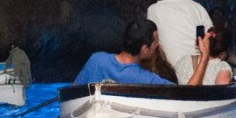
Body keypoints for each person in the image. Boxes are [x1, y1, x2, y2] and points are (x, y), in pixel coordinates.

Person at [74, 17, 212, 87]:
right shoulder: (146, 79)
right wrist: (205, 56)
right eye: (156, 42)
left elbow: (72, 92)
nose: (158, 44)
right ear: (145, 49)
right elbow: (186, 93)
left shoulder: (96, 60)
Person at [147, 0, 213, 84]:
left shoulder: (153, 9)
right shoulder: (198, 9)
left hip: (166, 75)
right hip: (196, 71)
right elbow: (212, 38)